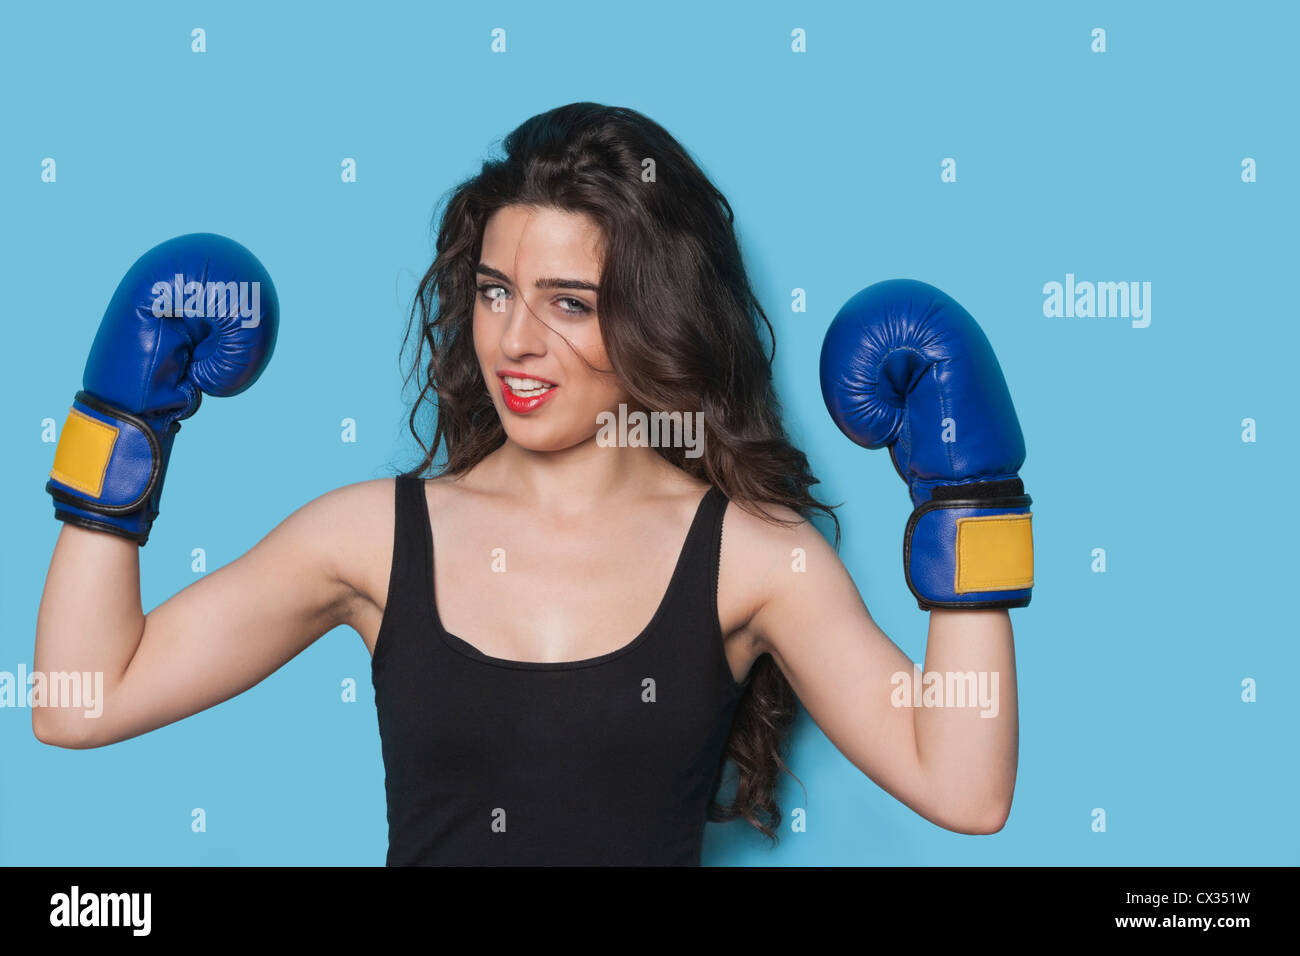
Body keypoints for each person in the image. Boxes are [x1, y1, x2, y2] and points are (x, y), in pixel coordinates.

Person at [32, 102, 1024, 866]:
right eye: (496, 291)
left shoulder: (755, 560)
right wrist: (121, 429)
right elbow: (81, 701)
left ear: (653, 318)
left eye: (570, 303)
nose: (515, 340)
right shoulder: (371, 536)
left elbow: (965, 786)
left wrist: (967, 503)